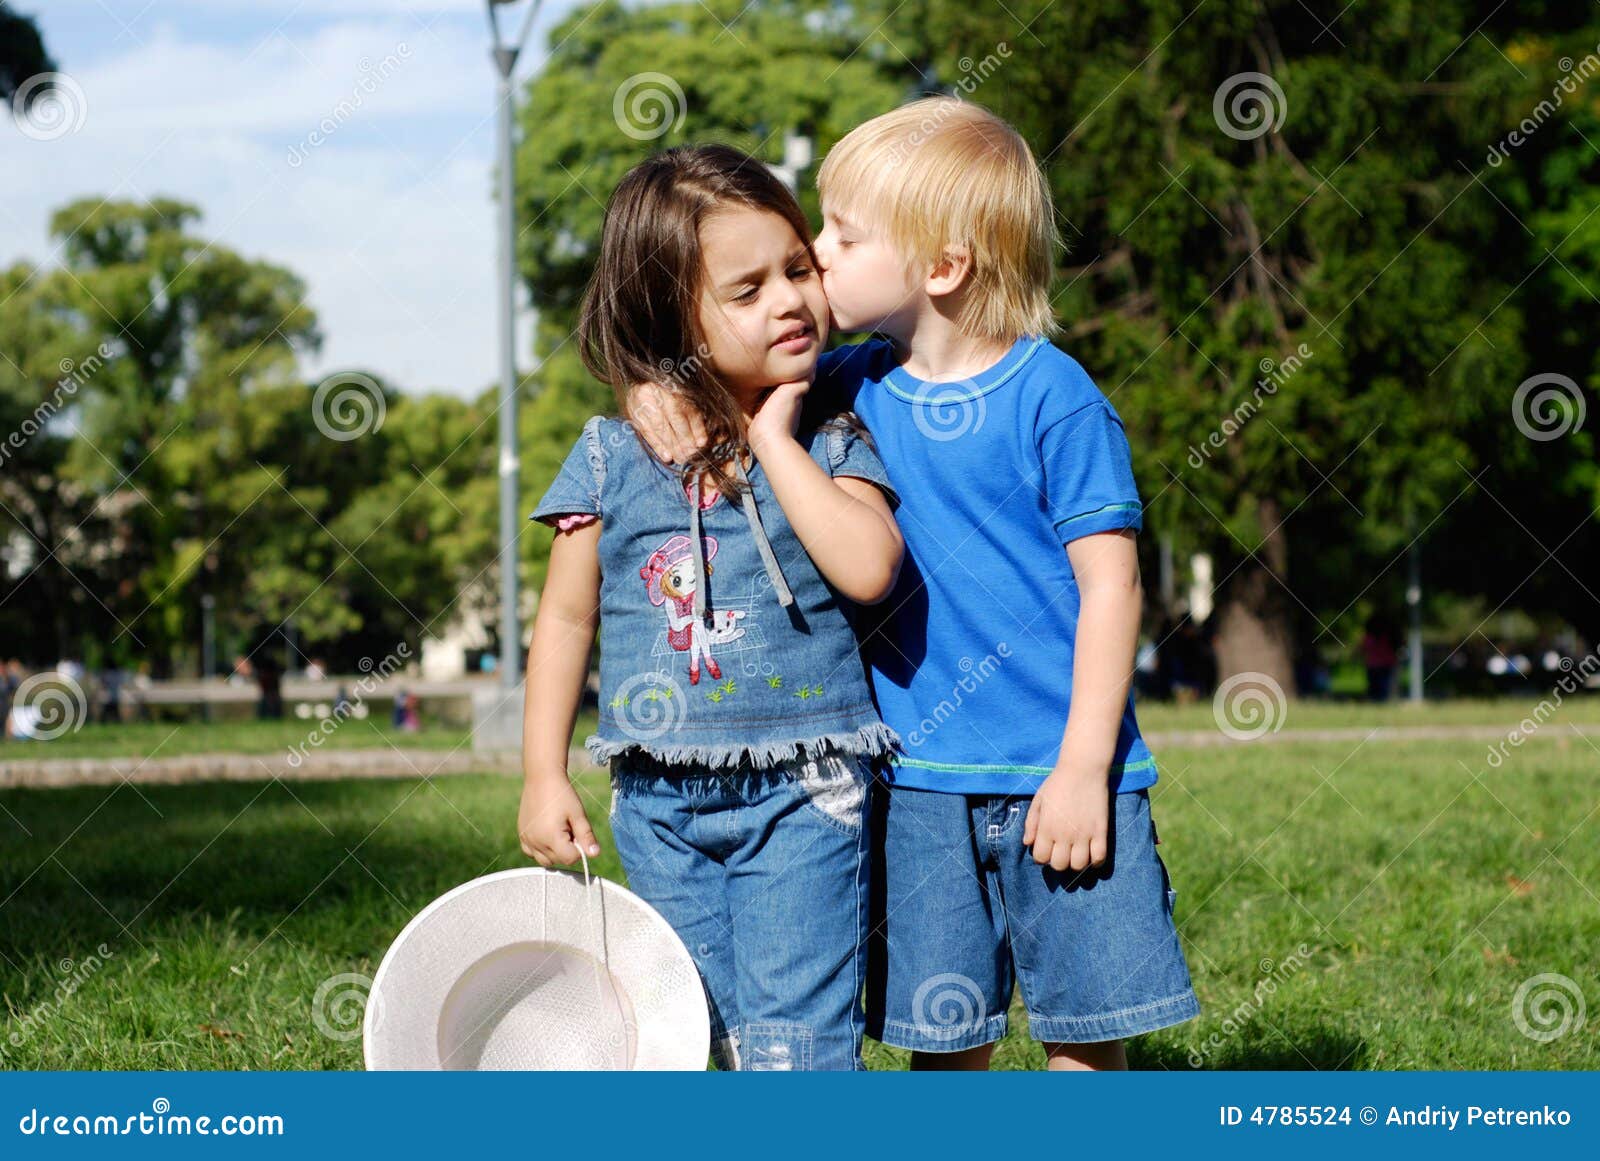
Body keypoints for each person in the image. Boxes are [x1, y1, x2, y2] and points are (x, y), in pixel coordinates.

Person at [629, 98, 1198, 1071]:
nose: (816, 255)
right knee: (944, 1043)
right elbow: (707, 365)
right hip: (913, 785)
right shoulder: (842, 382)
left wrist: (1079, 770)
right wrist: (650, 389)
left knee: (1091, 1040)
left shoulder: (1055, 398)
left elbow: (1113, 588)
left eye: (841, 237)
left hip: (1057, 773)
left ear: (941, 267)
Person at [518, 144, 904, 1071]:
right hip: (656, 799)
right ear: (668, 317)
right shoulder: (613, 455)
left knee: (799, 1047)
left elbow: (869, 569)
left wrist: (774, 439)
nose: (789, 300)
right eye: (746, 290)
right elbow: (566, 620)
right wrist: (543, 771)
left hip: (807, 788)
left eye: (799, 268)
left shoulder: (830, 428)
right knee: (685, 1038)